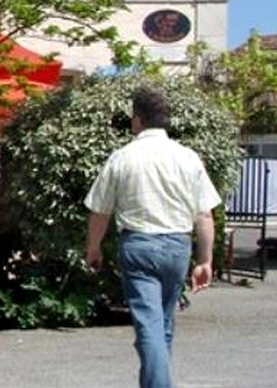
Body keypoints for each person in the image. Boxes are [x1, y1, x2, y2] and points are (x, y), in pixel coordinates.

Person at [85, 88, 221, 388]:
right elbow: (204, 215)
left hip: (139, 245)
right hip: (178, 246)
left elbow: (100, 211)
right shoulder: (188, 158)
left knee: (148, 324)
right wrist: (206, 261)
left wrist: (93, 248)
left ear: (137, 119)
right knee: (164, 323)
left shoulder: (122, 158)